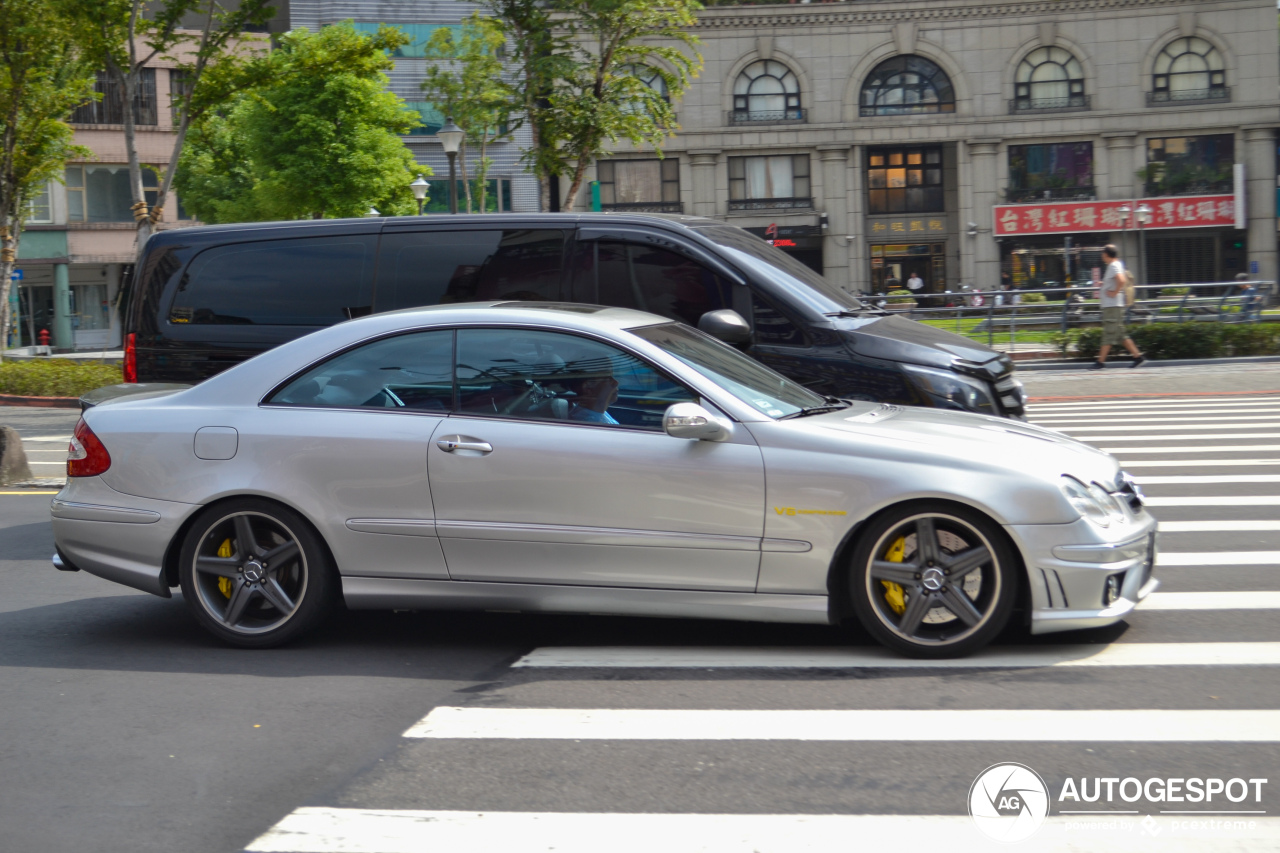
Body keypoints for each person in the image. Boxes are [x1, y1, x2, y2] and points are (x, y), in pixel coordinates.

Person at [1092, 244, 1146, 369]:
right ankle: (1138, 357)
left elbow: (1121, 280)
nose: (1101, 256)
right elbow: (1117, 280)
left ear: (1106, 254)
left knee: (1108, 333)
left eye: (1102, 253)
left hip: (1113, 306)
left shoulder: (1113, 265)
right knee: (1121, 335)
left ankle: (1100, 362)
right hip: (1113, 306)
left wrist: (1114, 292)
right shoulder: (1116, 264)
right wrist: (1105, 284)